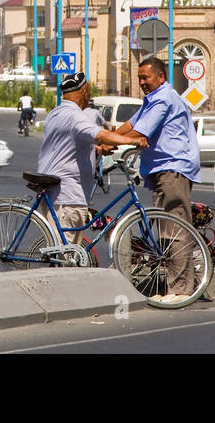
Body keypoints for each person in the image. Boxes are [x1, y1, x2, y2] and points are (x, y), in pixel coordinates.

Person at [117, 56, 201, 306]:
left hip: (173, 168)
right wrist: (107, 137)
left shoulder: (164, 97)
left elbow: (140, 132)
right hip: (160, 169)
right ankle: (173, 286)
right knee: (165, 231)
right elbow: (131, 125)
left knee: (174, 231)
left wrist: (108, 142)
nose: (142, 82)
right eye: (139, 78)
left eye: (146, 77)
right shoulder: (152, 99)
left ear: (161, 77)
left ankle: (181, 289)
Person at [36, 72, 145, 245]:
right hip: (67, 198)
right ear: (85, 92)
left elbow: (68, 146)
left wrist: (98, 150)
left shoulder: (55, 113)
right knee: (65, 257)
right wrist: (133, 140)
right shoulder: (75, 116)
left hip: (59, 195)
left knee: (66, 251)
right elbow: (101, 134)